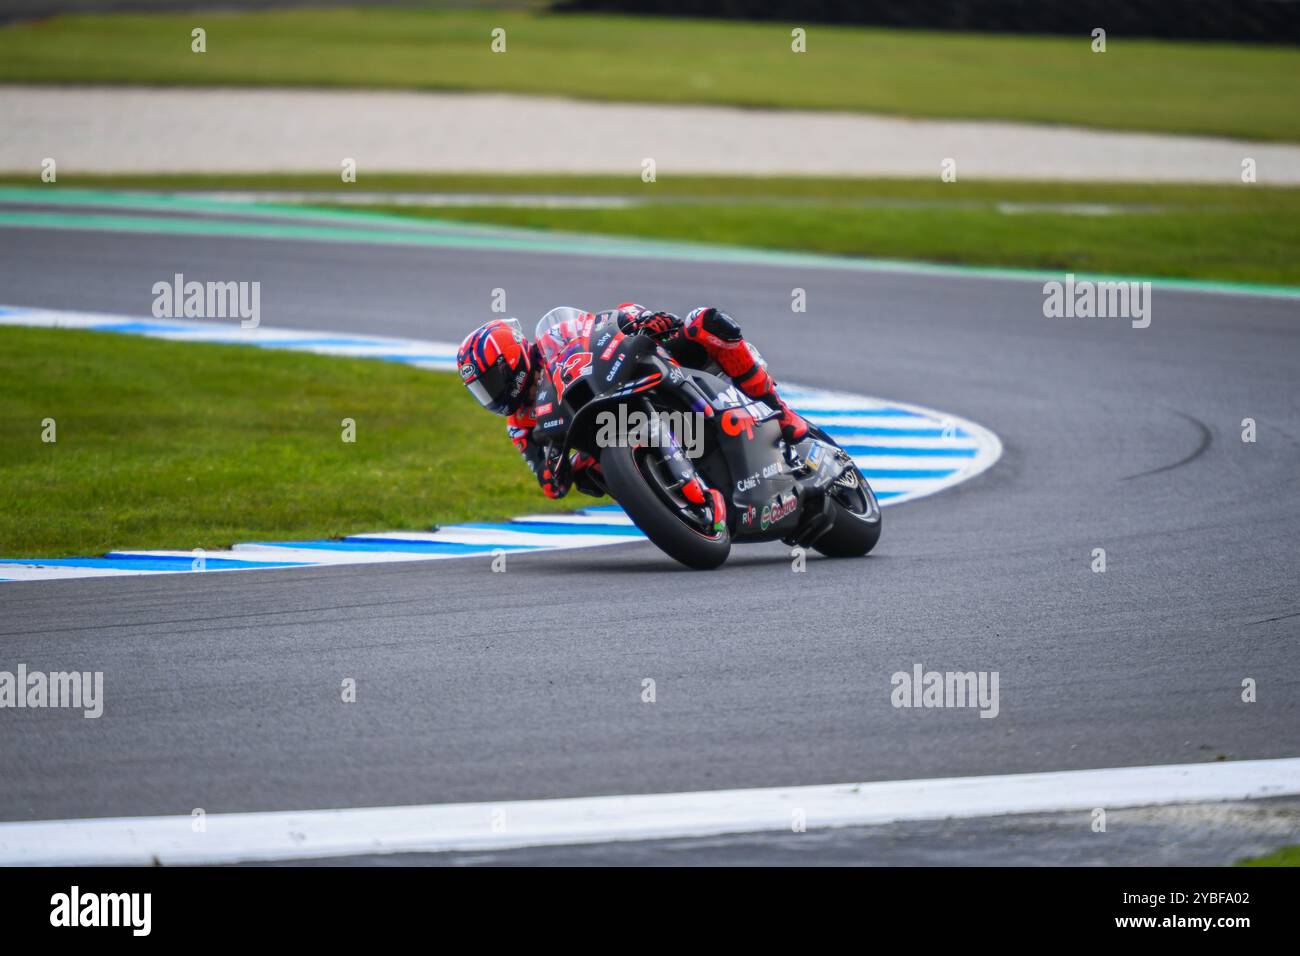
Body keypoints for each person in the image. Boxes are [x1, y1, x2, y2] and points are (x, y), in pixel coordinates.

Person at [456, 303, 810, 500]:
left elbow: (604, 322)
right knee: (586, 473)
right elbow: (551, 486)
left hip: (628, 378)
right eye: (480, 390)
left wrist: (641, 320)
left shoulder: (557, 340)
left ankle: (780, 410)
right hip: (604, 436)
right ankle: (665, 492)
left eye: (490, 382)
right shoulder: (520, 424)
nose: (491, 394)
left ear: (511, 361)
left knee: (706, 322)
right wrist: (556, 461)